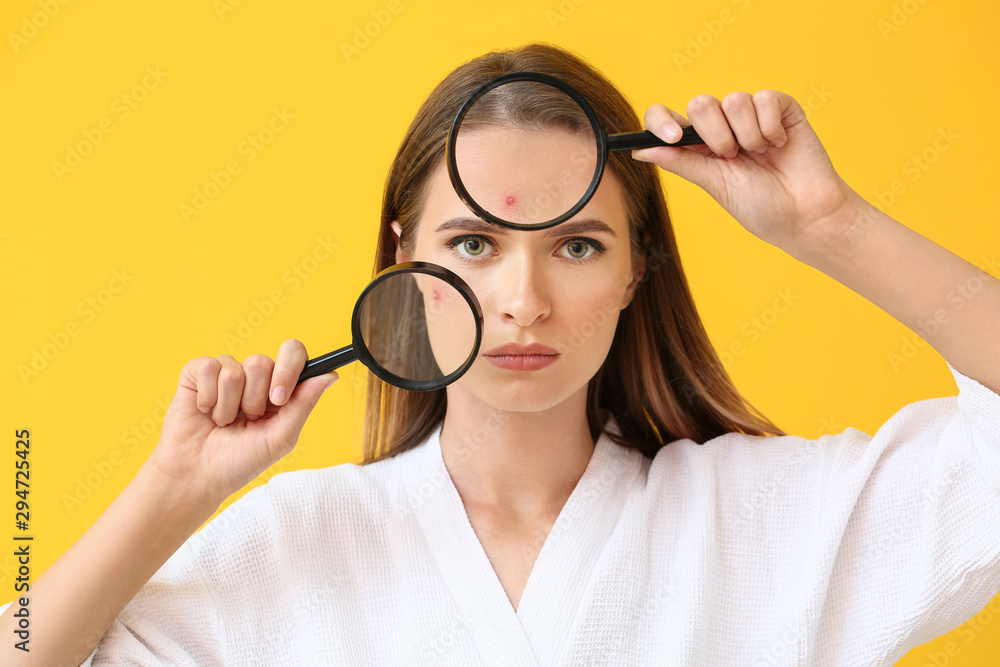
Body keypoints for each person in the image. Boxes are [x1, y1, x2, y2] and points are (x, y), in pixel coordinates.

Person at [2, 42, 999, 666]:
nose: (523, 302)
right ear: (404, 261)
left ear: (634, 271)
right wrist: (171, 487)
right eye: (473, 244)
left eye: (576, 245)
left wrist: (829, 224)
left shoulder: (772, 522)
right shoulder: (294, 543)